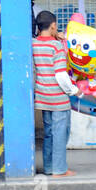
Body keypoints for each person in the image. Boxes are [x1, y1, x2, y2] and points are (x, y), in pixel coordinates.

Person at [32, 10, 77, 178]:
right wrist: (73, 90)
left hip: (43, 97)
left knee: (49, 133)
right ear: (53, 26)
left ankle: (49, 167)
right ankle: (59, 169)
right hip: (58, 98)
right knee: (60, 133)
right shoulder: (56, 46)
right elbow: (60, 75)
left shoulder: (34, 44)